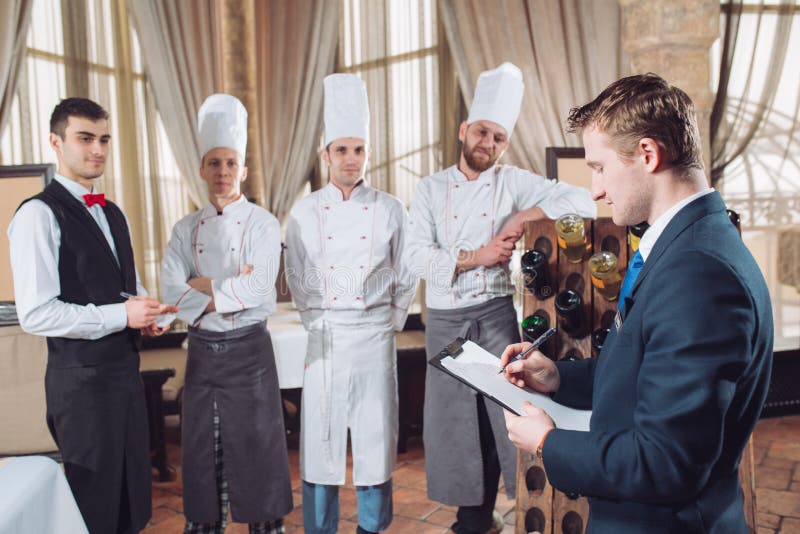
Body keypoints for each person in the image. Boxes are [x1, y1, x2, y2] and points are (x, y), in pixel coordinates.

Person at [501, 73, 773, 533]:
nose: (596, 190)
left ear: (648, 155)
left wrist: (549, 442)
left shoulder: (700, 274)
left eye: (600, 167)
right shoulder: (685, 243)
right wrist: (556, 378)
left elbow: (665, 463)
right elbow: (643, 367)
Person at [405, 62, 596, 533]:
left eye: (499, 138)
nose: (488, 144)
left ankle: (523, 507)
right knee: (454, 423)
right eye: (483, 133)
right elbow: (414, 256)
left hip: (493, 313)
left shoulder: (511, 181)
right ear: (464, 130)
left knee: (503, 410)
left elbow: (584, 200)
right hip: (446, 319)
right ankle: (471, 516)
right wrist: (479, 254)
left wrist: (523, 216)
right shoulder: (429, 189)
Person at [7, 97, 177, 534]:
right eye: (85, 138)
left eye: (103, 139)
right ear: (56, 142)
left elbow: (124, 288)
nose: (97, 149)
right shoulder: (37, 216)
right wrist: (123, 315)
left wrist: (147, 311)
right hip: (79, 388)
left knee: (132, 502)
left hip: (124, 377)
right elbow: (37, 314)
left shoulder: (112, 211)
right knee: (92, 507)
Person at [284, 73, 416, 534]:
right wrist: (314, 319)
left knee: (375, 437)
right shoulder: (302, 212)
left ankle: (371, 527)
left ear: (368, 155)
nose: (350, 160)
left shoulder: (391, 208)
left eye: (359, 150)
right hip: (325, 334)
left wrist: (391, 320)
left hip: (374, 332)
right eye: (341, 150)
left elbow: (408, 269)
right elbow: (297, 273)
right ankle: (320, 528)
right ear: (325, 155)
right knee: (320, 438)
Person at [160, 93, 293, 534]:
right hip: (202, 354)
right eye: (214, 163)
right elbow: (170, 293)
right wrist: (229, 288)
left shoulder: (262, 222)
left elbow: (259, 290)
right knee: (202, 452)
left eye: (230, 163)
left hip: (249, 352)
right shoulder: (184, 229)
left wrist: (200, 288)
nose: (222, 172)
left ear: (243, 171)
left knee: (257, 450)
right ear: (201, 169)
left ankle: (265, 528)